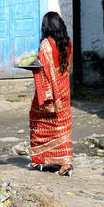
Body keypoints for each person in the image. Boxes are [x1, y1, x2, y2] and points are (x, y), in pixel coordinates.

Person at [27, 12, 72, 175]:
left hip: (50, 92)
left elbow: (45, 71)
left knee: (37, 118)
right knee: (62, 124)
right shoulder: (67, 43)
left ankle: (45, 158)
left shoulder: (45, 45)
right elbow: (68, 68)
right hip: (64, 87)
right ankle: (63, 161)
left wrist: (32, 67)